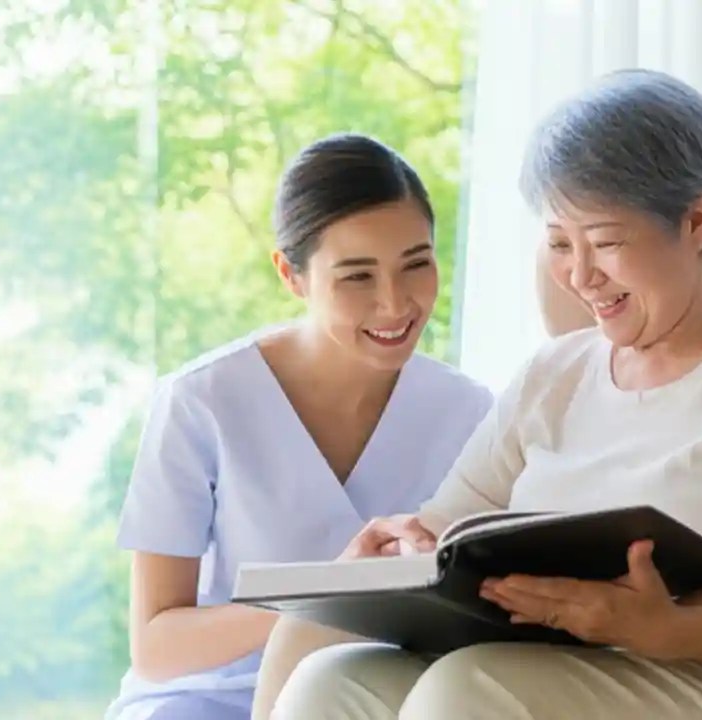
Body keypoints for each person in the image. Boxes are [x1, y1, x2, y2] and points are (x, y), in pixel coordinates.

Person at [257, 70, 702, 720]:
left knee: (469, 688)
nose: (580, 276)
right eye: (560, 242)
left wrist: (662, 625)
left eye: (607, 242)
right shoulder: (554, 374)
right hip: (550, 670)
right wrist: (394, 558)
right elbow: (448, 529)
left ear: (696, 220)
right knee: (333, 680)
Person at [103, 133, 494, 720]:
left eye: (416, 264)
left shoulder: (469, 412)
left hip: (370, 698)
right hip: (202, 702)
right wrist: (326, 599)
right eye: (357, 277)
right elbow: (156, 645)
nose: (395, 304)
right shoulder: (201, 402)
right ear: (292, 274)